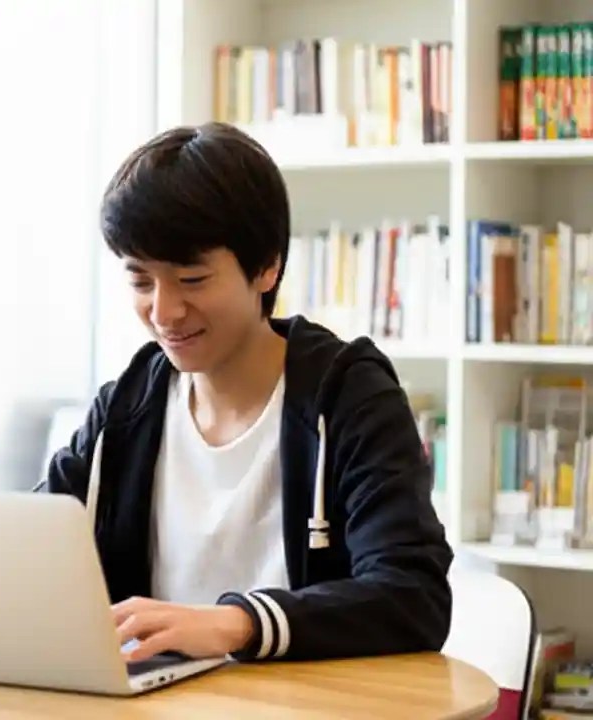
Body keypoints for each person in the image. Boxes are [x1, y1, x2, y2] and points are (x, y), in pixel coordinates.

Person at [42, 122, 453, 664]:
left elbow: (413, 595)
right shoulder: (127, 408)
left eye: (191, 280)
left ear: (267, 268)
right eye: (141, 282)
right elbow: (32, 551)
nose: (163, 313)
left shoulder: (349, 397)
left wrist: (240, 624)